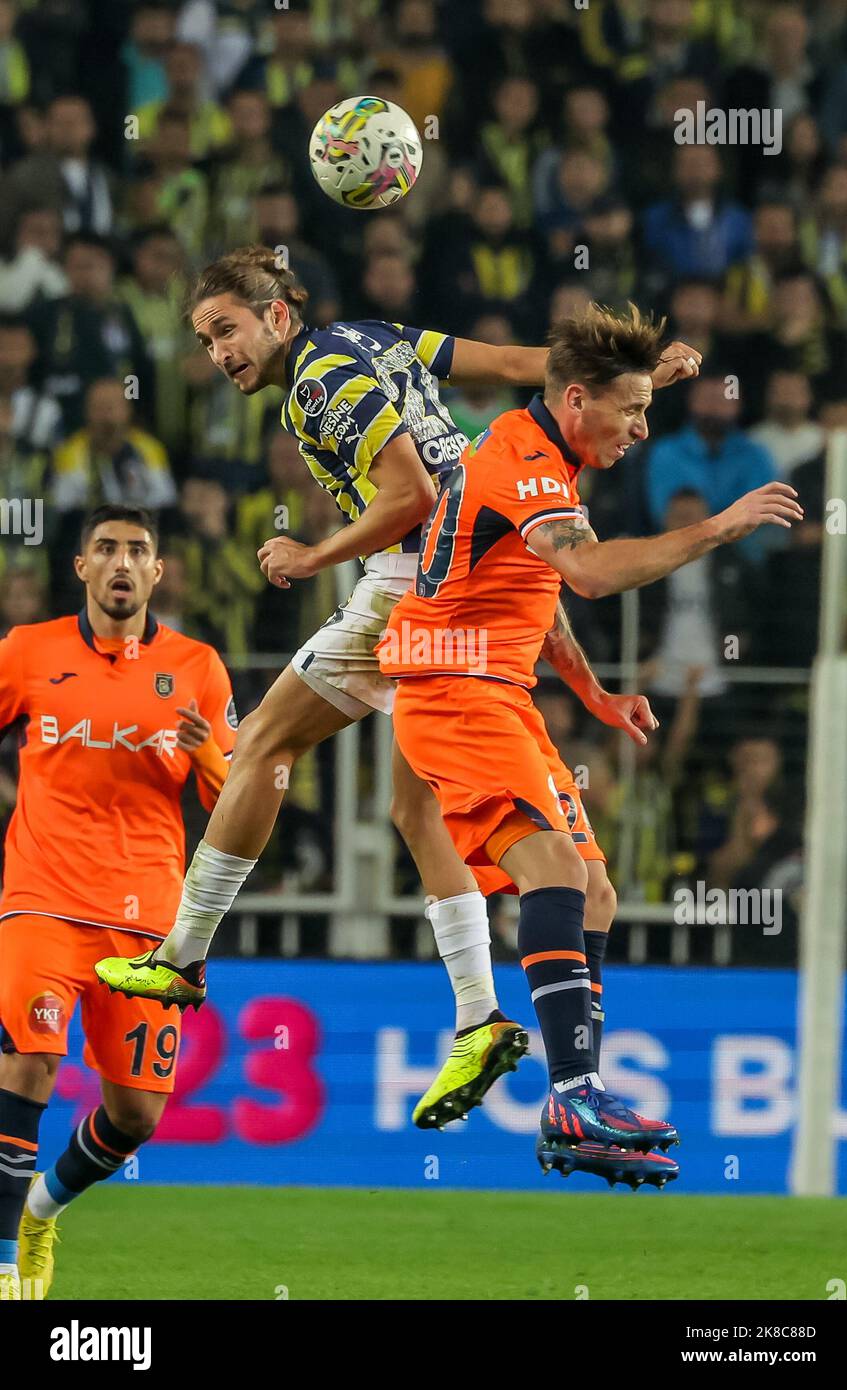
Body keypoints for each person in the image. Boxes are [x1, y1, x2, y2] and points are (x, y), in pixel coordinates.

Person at [95, 246, 702, 1131]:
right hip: (484, 557)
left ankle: (182, 955)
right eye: (205, 340)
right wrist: (636, 378)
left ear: (277, 315)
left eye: (226, 329)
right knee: (417, 809)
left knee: (264, 740)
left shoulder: (316, 379)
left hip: (416, 581)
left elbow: (410, 494)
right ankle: (479, 1016)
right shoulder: (373, 337)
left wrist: (312, 555)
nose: (219, 353)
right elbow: (516, 363)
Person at [379, 303, 802, 1185]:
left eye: (647, 410)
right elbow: (590, 573)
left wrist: (593, 694)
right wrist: (719, 526)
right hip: (452, 691)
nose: (642, 430)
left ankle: (580, 1098)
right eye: (633, 411)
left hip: (497, 690)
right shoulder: (525, 462)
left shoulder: (549, 451)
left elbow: (537, 592)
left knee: (595, 888)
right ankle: (573, 1093)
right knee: (555, 871)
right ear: (575, 400)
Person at [0, 505, 237, 1301]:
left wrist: (208, 754)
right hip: (41, 899)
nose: (122, 562)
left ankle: (40, 1212)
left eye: (138, 550)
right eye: (106, 549)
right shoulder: (27, 652)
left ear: (158, 572)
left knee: (136, 1115)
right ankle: (4, 1266)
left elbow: (237, 804)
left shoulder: (197, 666)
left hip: (145, 924)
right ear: (82, 568)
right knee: (28, 1060)